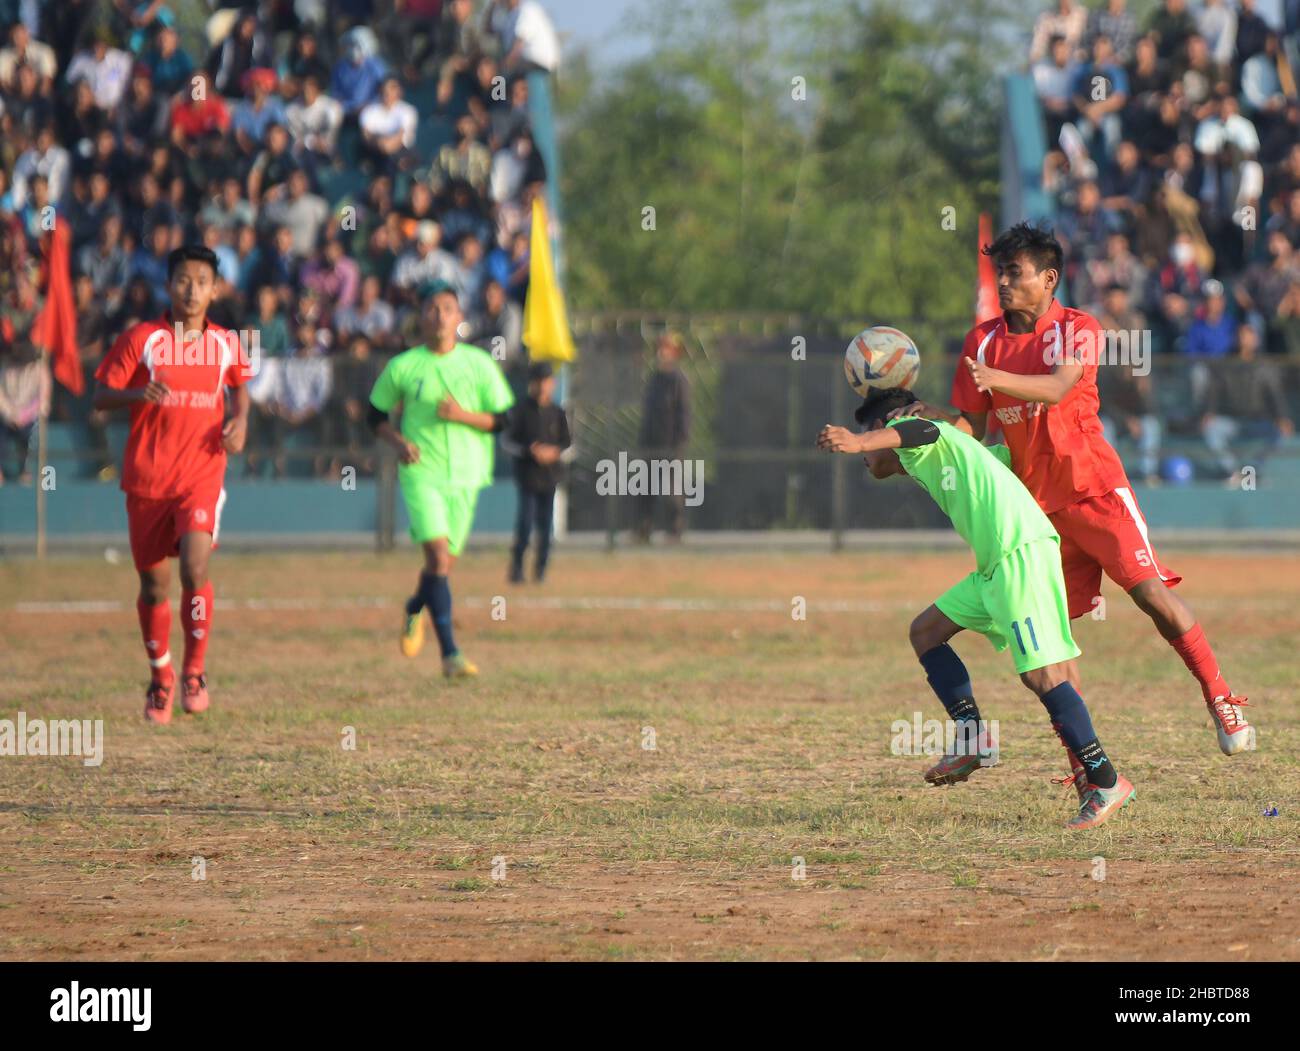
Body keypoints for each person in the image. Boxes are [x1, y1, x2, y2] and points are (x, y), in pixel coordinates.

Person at [897, 223, 1252, 757]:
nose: (1004, 283)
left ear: (1050, 278)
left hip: (1097, 493)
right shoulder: (983, 342)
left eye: (1015, 273)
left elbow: (1061, 386)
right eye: (1000, 273)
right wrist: (935, 419)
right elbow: (974, 426)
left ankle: (1220, 697)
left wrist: (995, 380)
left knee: (1153, 596)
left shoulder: (1079, 327)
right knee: (1050, 639)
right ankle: (1088, 767)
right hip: (1037, 513)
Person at [819, 387, 1135, 829]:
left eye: (865, 439)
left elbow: (920, 429)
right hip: (995, 566)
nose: (862, 455)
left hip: (1016, 556)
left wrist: (860, 441)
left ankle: (1105, 780)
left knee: (1041, 676)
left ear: (882, 426)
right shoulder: (946, 452)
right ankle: (973, 739)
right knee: (925, 632)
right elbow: (995, 457)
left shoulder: (923, 434)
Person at [90, 244, 250, 724]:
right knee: (154, 588)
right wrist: (138, 393)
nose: (192, 288)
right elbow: (100, 396)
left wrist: (241, 423)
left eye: (202, 280)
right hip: (148, 480)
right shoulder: (143, 338)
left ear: (215, 290)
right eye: (183, 279)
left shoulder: (226, 343)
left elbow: (241, 388)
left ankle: (194, 671)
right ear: (169, 285)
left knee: (194, 569)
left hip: (201, 474)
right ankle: (160, 675)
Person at [368, 284, 514, 677]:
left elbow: (503, 420)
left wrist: (461, 415)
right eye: (432, 308)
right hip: (421, 472)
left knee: (443, 565)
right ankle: (451, 655)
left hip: (467, 475)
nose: (439, 315)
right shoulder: (404, 365)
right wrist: (398, 441)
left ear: (459, 317)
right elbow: (374, 415)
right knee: (436, 556)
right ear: (422, 318)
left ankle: (415, 605)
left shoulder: (479, 364)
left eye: (447, 308)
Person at [506, 361, 570, 583]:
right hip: (528, 478)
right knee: (524, 525)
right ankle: (516, 569)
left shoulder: (558, 413)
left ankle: (541, 570)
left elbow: (568, 445)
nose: (543, 386)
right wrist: (529, 450)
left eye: (547, 381)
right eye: (538, 382)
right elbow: (508, 442)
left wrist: (554, 452)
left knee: (545, 528)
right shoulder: (521, 411)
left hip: (549, 478)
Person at [636, 332, 690, 542]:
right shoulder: (655, 378)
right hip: (651, 442)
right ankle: (643, 530)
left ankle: (675, 531)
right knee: (645, 487)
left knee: (672, 491)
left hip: (671, 444)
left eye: (666, 347)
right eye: (660, 347)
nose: (661, 352)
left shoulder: (679, 380)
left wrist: (679, 443)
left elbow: (684, 413)